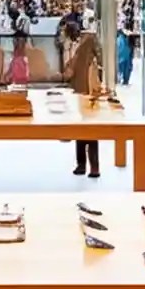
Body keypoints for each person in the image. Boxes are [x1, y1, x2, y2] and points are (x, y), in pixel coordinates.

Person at [62, 24, 101, 178]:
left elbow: (100, 57)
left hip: (88, 90)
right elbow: (69, 69)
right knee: (79, 129)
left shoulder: (89, 39)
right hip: (76, 91)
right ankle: (81, 164)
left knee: (91, 131)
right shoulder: (68, 46)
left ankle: (94, 166)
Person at [116, 0, 139, 86]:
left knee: (129, 59)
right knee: (122, 57)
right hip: (122, 35)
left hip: (130, 36)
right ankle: (119, 77)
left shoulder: (128, 11)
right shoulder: (117, 13)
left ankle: (126, 79)